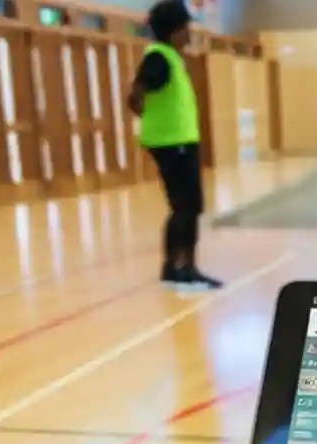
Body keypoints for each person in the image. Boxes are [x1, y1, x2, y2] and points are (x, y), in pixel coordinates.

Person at [127, 0, 221, 289]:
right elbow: (136, 92)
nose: (189, 32)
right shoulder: (159, 58)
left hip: (177, 140)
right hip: (172, 142)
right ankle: (181, 267)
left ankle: (180, 266)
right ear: (175, 30)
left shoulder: (169, 57)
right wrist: (148, 117)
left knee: (187, 206)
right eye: (186, 27)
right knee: (185, 205)